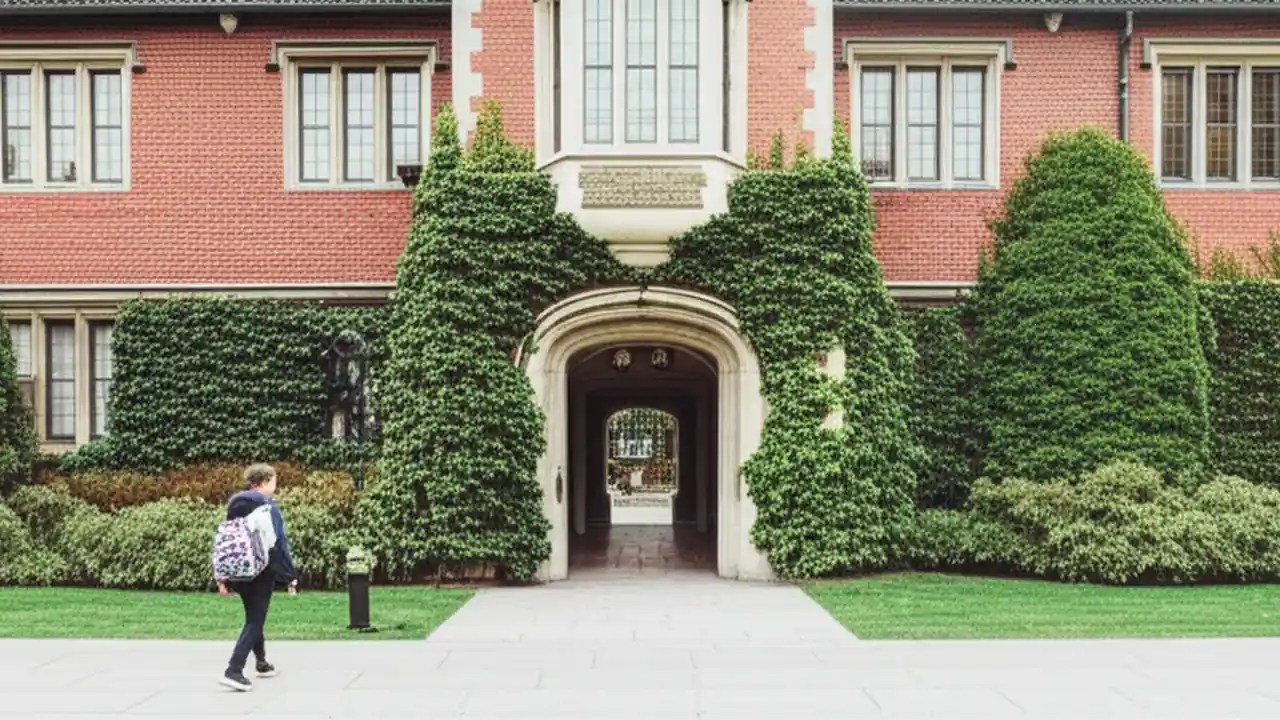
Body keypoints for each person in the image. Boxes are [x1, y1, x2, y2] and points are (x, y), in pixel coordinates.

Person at [218, 463, 298, 692]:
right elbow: (279, 543)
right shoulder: (267, 506)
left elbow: (228, 540)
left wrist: (223, 577)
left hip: (239, 569)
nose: (275, 487)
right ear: (264, 482)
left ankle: (262, 662)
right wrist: (289, 576)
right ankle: (234, 670)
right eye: (273, 482)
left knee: (254, 616)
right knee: (255, 620)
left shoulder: (235, 503)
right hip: (262, 571)